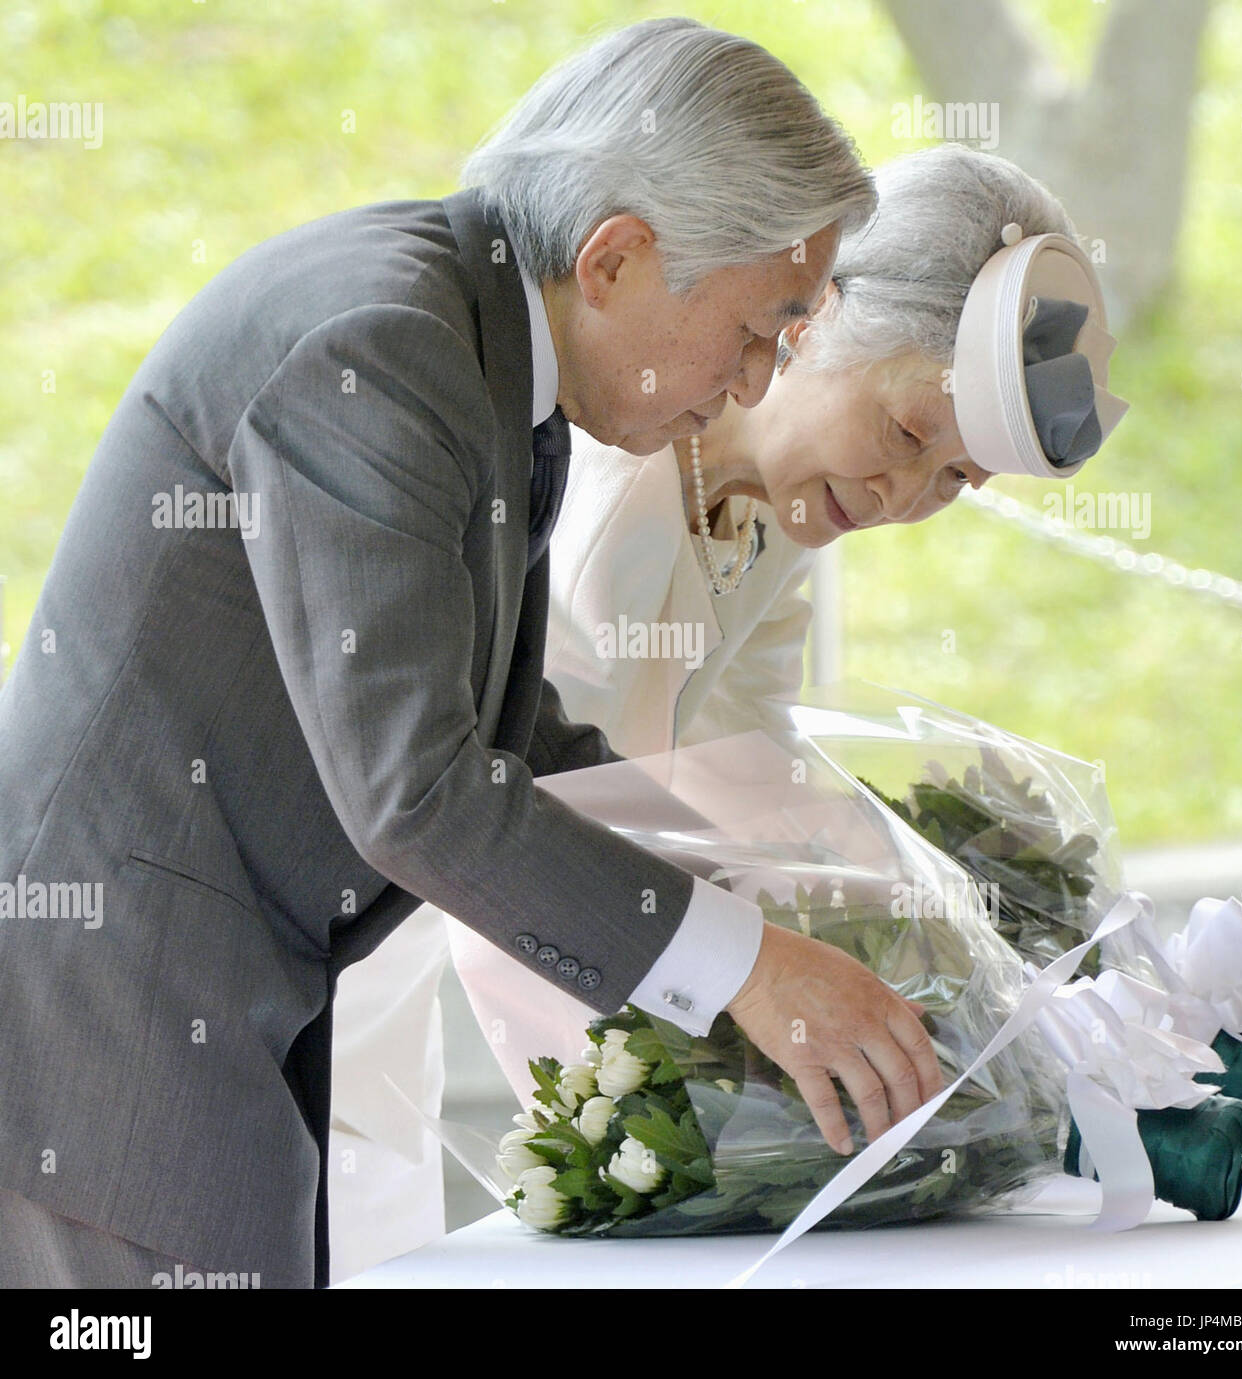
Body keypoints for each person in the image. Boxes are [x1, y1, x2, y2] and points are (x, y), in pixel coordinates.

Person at [0, 18, 907, 1290]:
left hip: (173, 998)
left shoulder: (470, 340)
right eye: (761, 328)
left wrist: (767, 894)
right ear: (617, 257)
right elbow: (420, 788)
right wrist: (746, 963)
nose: (755, 385)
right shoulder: (383, 344)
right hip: (106, 1016)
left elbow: (503, 728)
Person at [327, 143, 1129, 1266]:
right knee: (344, 1199)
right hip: (390, 902)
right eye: (904, 435)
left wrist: (941, 958)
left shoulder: (782, 513)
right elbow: (513, 839)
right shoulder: (606, 509)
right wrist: (673, 1123)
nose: (903, 498)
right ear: (815, 317)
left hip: (562, 907)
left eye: (951, 480)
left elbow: (757, 775)